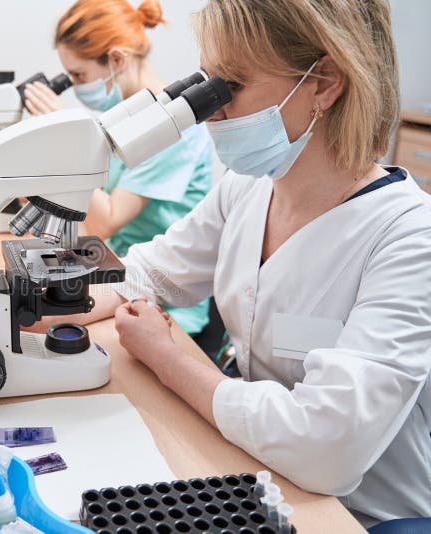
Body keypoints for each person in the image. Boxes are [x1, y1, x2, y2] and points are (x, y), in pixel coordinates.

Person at [33, 0, 431, 525]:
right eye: (207, 83)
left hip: (357, 513)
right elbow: (150, 274)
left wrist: (168, 358)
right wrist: (28, 302)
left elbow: (324, 448)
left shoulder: (409, 239)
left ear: (325, 82)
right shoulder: (248, 188)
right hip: (256, 470)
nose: (210, 108)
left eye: (231, 85)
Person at [23, 0, 214, 336]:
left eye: (79, 75)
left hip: (163, 299)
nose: (75, 85)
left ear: (116, 59)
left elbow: (103, 221)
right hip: (117, 271)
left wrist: (65, 136)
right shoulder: (123, 118)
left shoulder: (171, 129)